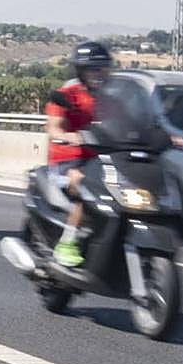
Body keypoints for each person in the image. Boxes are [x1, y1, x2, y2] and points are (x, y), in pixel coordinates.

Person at [44, 41, 115, 266]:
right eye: (93, 68)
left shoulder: (112, 96)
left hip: (99, 159)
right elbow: (53, 126)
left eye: (102, 68)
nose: (99, 73)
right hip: (67, 161)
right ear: (81, 70)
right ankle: (67, 242)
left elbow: (129, 120)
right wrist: (68, 136)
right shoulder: (66, 95)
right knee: (85, 186)